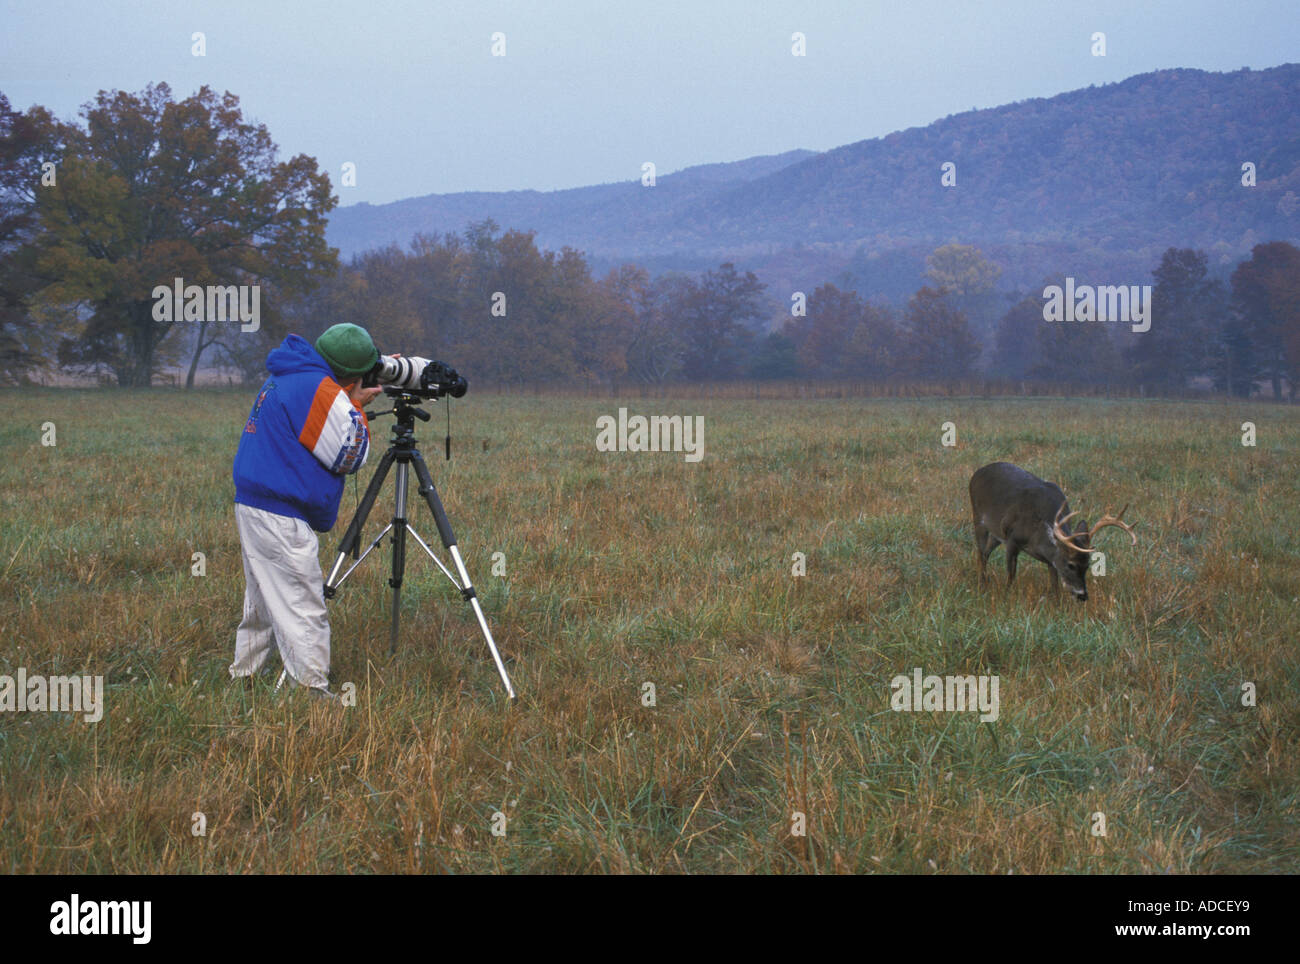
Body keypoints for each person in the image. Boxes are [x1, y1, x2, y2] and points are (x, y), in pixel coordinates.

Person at [230, 323, 385, 698]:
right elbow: (350, 454)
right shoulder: (320, 389)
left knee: (265, 595)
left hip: (254, 500)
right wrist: (356, 409)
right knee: (300, 598)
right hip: (280, 510)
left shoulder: (291, 373)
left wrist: (346, 400)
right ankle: (310, 688)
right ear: (352, 375)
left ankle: (245, 675)